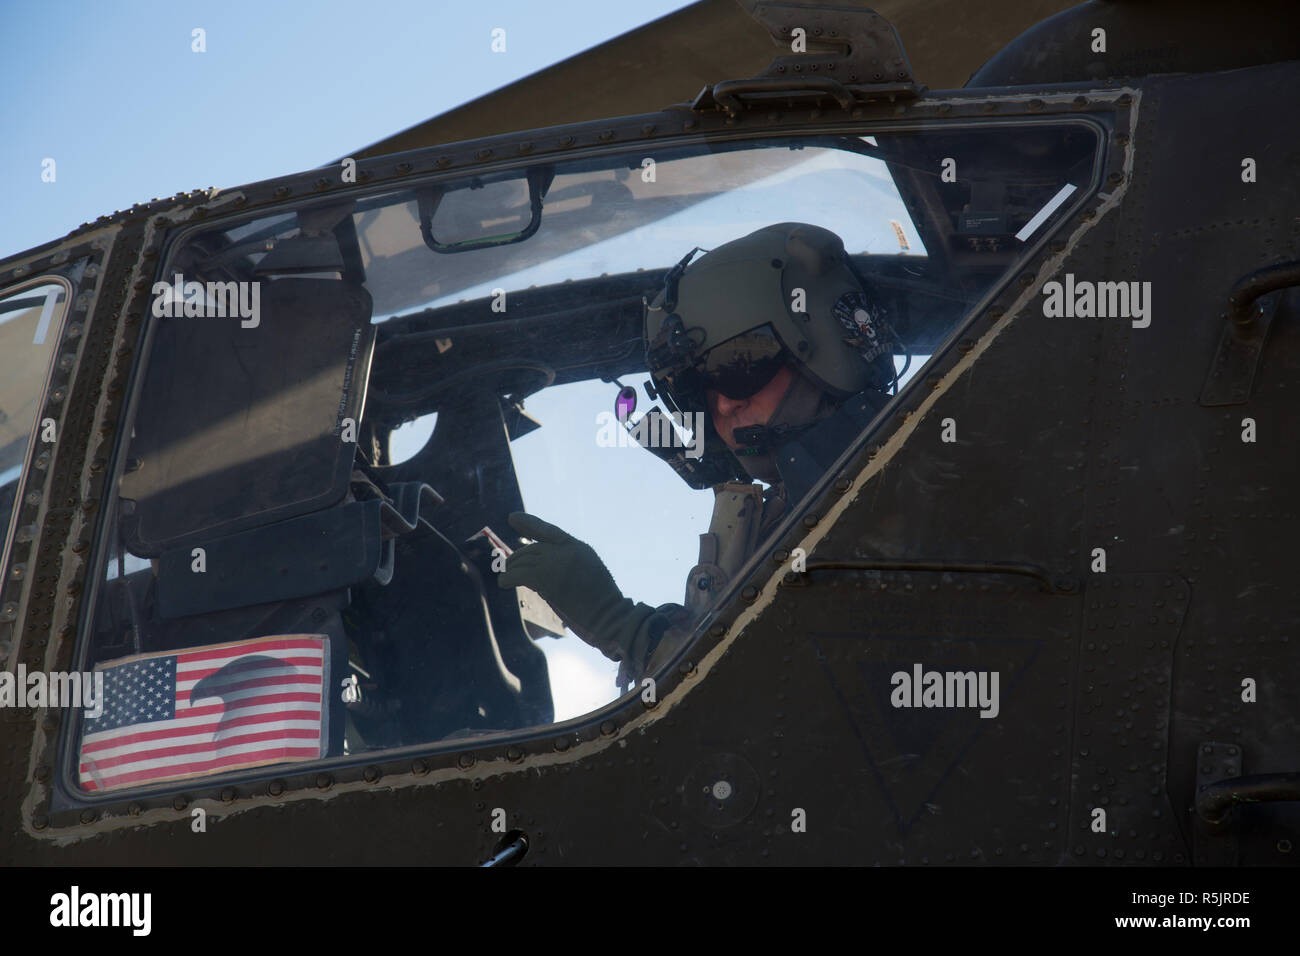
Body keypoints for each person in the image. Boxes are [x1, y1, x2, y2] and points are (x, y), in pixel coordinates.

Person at [498, 222, 902, 687]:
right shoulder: (798, 511)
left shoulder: (905, 490)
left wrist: (624, 628)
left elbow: (773, 703)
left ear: (830, 342)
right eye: (692, 391)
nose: (722, 405)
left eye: (737, 367)